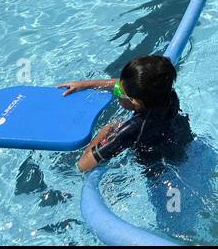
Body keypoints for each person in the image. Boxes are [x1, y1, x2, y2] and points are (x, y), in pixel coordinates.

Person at [62, 55, 191, 173]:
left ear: (135, 101)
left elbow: (83, 165)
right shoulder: (167, 92)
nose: (116, 90)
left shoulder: (133, 128)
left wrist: (108, 129)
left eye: (119, 92)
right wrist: (85, 85)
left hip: (159, 168)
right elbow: (131, 84)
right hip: (184, 141)